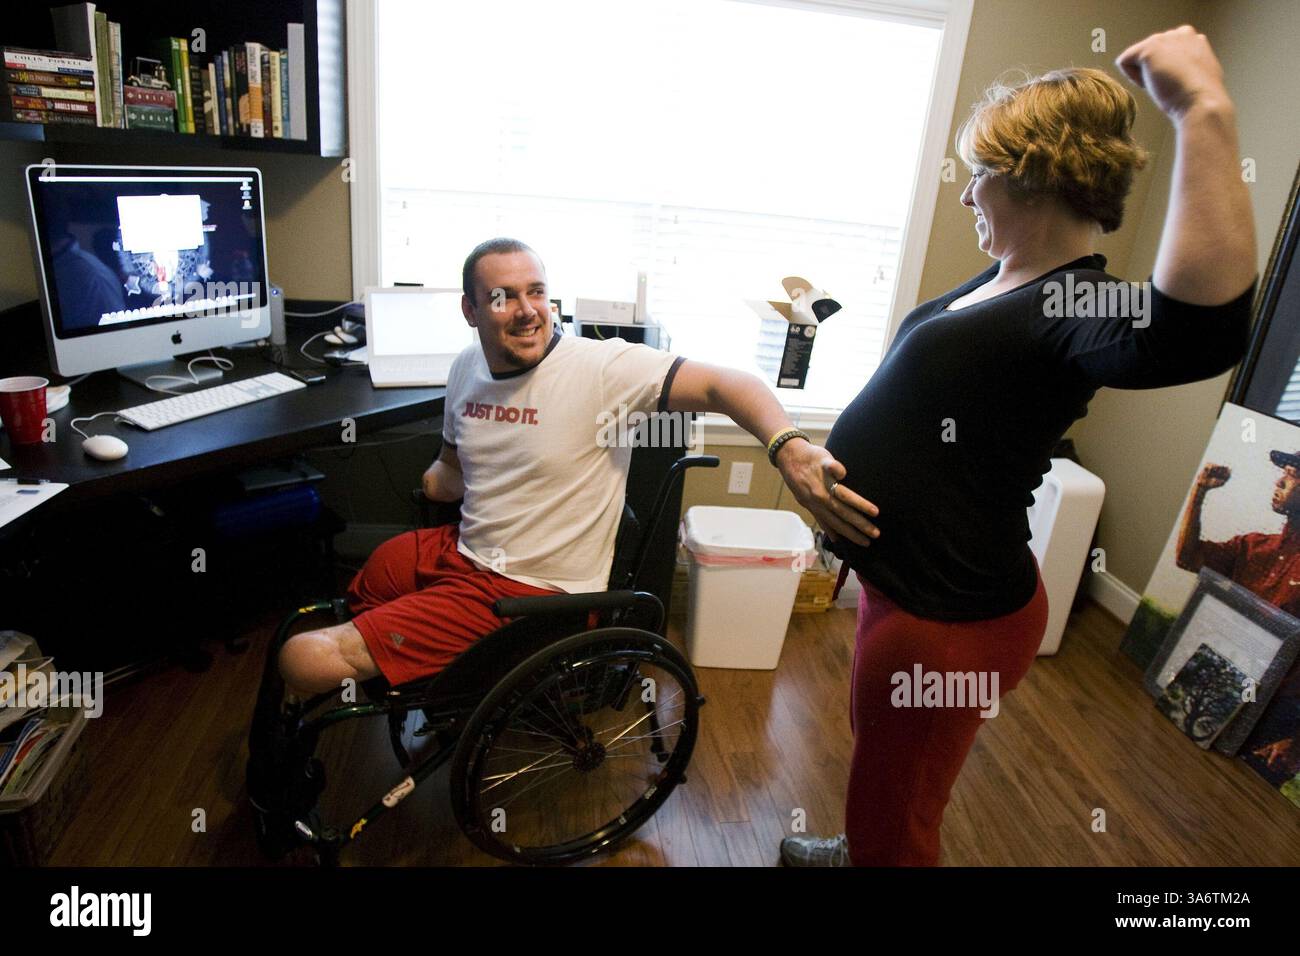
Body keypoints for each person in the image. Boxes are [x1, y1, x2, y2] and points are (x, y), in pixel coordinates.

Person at [781, 26, 1258, 866]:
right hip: (911, 592)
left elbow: (1197, 331)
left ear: (1029, 176)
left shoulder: (1076, 304)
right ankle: (860, 846)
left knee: (898, 820)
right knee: (888, 769)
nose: (966, 197)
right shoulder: (1005, 280)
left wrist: (1201, 111)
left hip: (948, 619)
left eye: (977, 176)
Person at [276, 237, 880, 696]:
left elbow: (726, 383)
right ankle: (415, 673)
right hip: (469, 550)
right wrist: (435, 481)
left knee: (302, 658)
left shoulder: (603, 370)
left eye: (536, 291)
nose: (526, 310)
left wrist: (789, 446)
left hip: (536, 588)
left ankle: (407, 670)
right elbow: (450, 468)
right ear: (470, 310)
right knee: (375, 571)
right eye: (502, 296)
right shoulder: (465, 367)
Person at [1175, 452, 1300, 618]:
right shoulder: (1253, 545)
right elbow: (1187, 558)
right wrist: (1199, 490)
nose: (1279, 482)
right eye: (1284, 472)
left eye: (1292, 475)